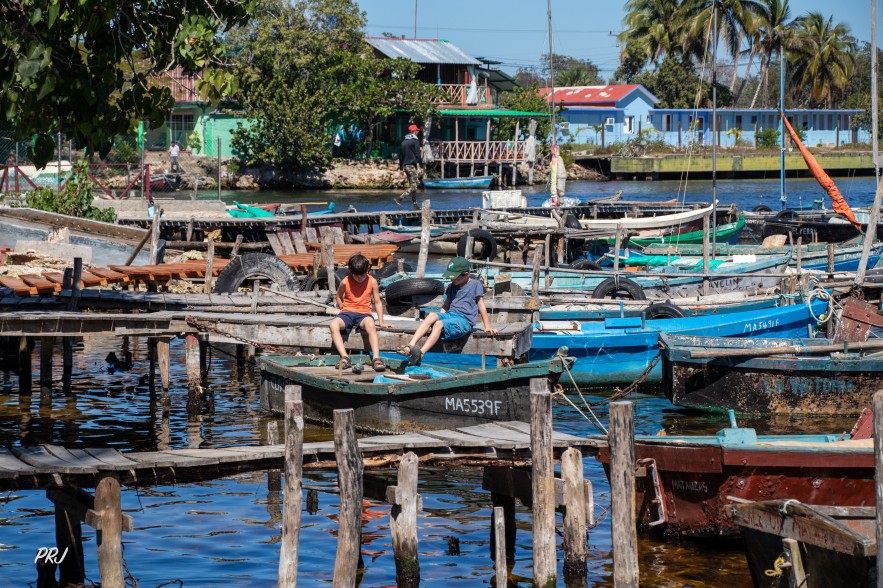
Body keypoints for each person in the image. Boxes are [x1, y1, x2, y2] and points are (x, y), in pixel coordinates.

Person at [397, 256, 496, 366]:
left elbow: (481, 305)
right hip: (451, 315)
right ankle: (410, 346)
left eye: (455, 277)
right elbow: (445, 306)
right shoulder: (451, 287)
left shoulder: (475, 284)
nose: (452, 279)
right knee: (432, 315)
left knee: (439, 324)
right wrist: (438, 317)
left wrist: (487, 327)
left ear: (466, 274)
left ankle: (421, 353)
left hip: (464, 321)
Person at [329, 254, 388, 372]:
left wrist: (381, 322)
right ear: (351, 272)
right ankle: (345, 357)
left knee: (371, 325)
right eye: (357, 276)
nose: (360, 278)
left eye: (363, 275)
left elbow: (377, 302)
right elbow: (338, 296)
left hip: (364, 314)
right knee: (333, 325)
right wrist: (342, 309)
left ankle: (376, 358)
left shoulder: (372, 281)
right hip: (347, 313)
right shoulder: (345, 281)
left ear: (367, 270)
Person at [396, 123, 422, 210]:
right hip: (411, 166)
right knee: (416, 184)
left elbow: (401, 156)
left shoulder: (404, 142)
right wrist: (421, 166)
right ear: (414, 131)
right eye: (417, 130)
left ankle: (415, 205)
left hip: (405, 166)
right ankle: (400, 198)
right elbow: (418, 154)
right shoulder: (415, 141)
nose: (418, 131)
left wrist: (401, 169)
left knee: (412, 185)